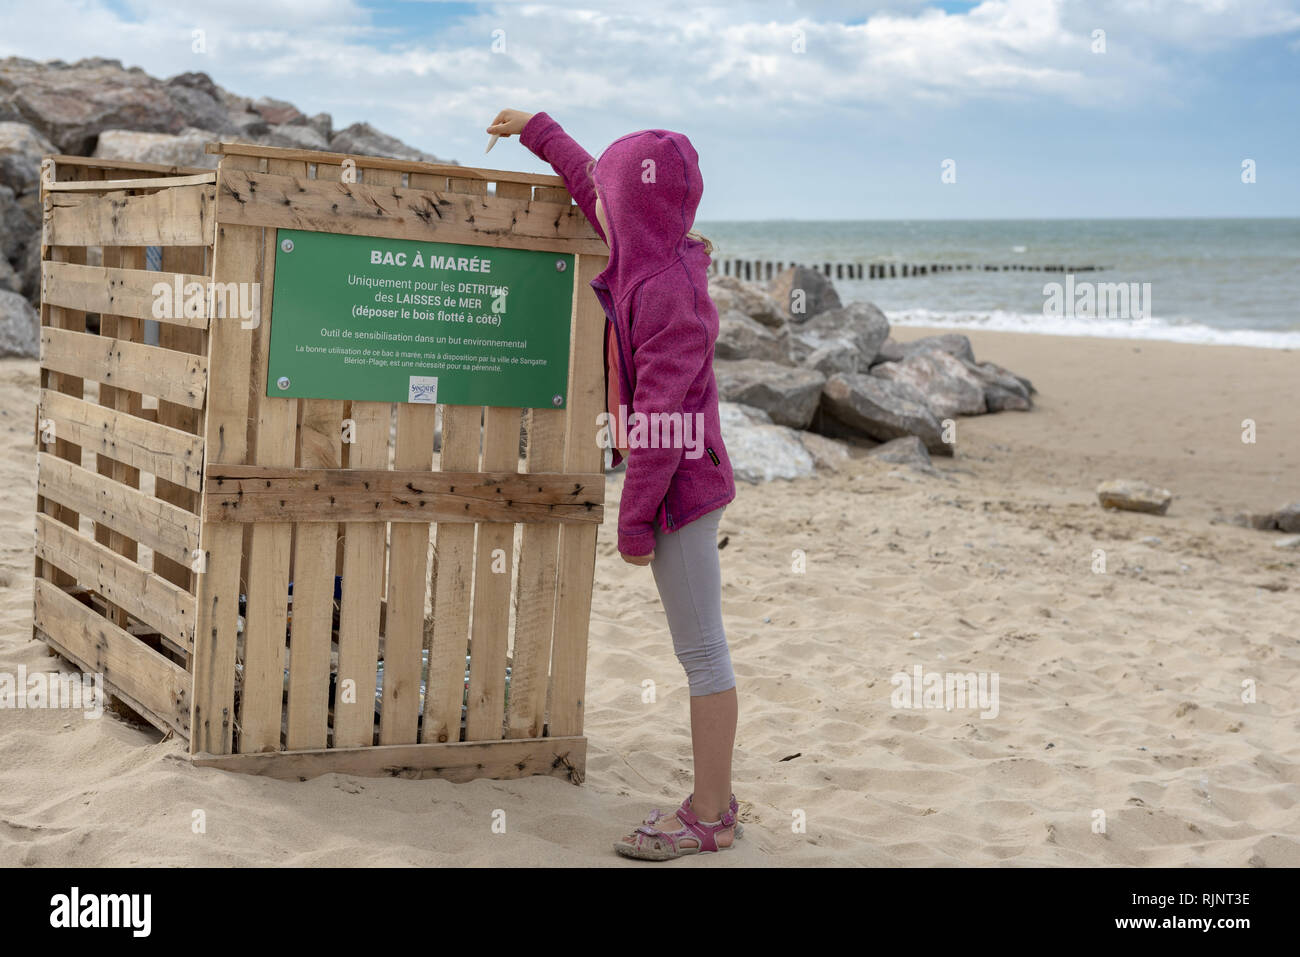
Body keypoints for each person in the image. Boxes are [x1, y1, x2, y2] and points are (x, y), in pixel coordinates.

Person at [486, 109, 742, 860]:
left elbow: (663, 430)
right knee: (698, 649)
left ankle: (710, 814)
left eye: (612, 198)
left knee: (703, 654)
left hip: (683, 494)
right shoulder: (642, 247)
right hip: (668, 488)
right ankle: (716, 797)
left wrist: (634, 527)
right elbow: (587, 177)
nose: (600, 204)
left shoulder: (674, 297)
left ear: (636, 209)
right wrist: (536, 126)